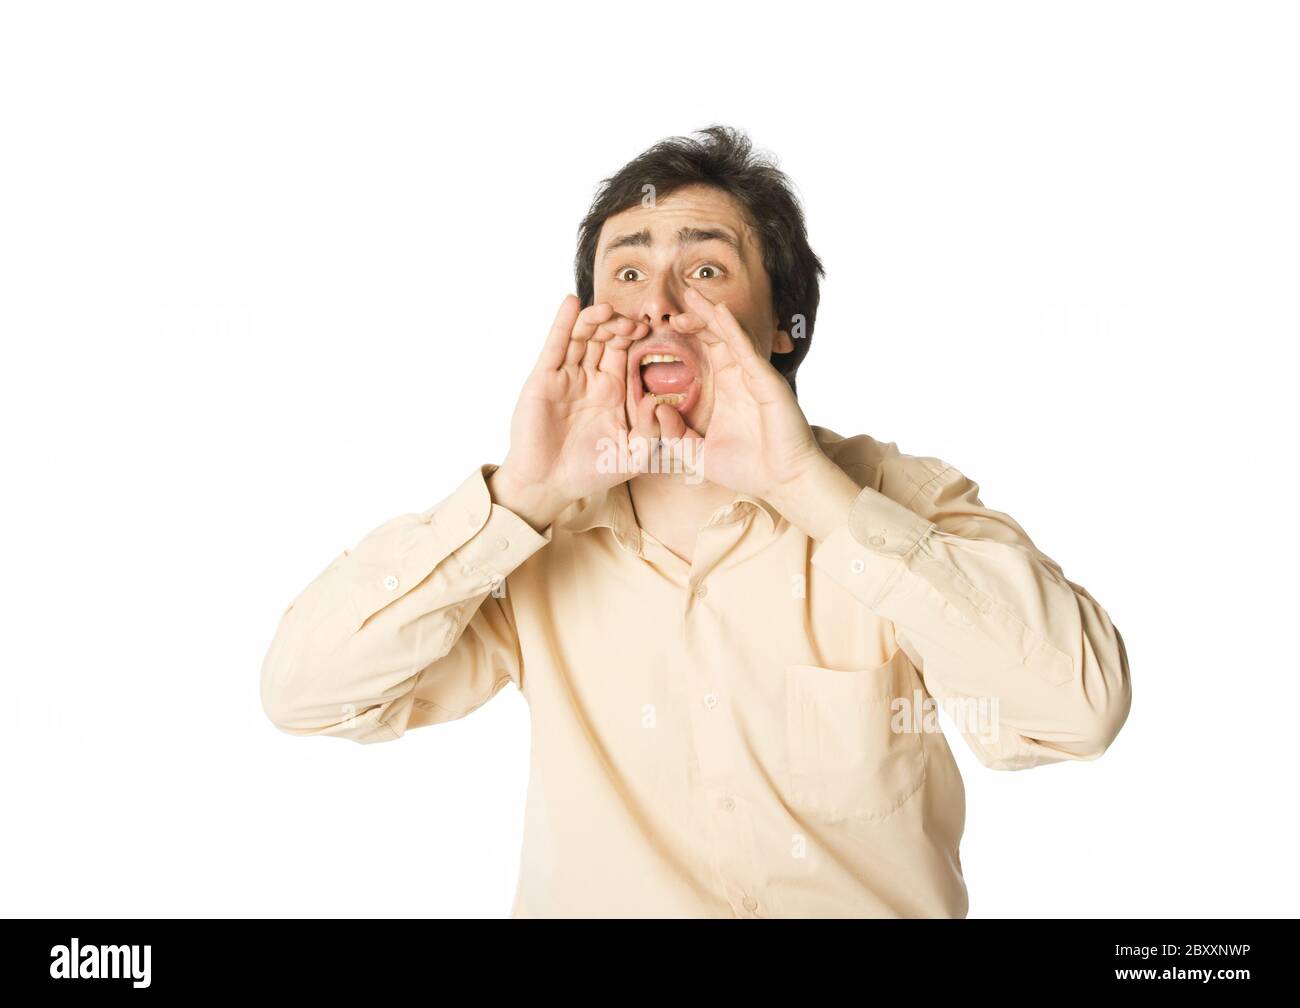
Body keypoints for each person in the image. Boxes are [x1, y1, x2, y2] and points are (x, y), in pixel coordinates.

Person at [259, 125, 1132, 918]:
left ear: (783, 323)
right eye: (627, 273)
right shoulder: (532, 539)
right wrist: (520, 497)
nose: (660, 304)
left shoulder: (900, 500)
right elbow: (307, 695)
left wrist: (808, 489)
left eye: (706, 269)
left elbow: (1078, 711)